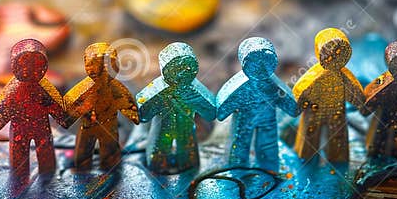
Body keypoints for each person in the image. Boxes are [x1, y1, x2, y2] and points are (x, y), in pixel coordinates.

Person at [216, 37, 299, 171]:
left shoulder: (272, 84)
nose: (260, 67)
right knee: (240, 144)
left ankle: (268, 165)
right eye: (256, 63)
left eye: (265, 62)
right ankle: (238, 166)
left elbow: (287, 100)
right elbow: (226, 102)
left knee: (267, 144)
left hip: (267, 120)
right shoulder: (242, 86)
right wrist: (221, 112)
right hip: (244, 120)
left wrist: (293, 108)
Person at [137, 42, 216, 173]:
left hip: (186, 127)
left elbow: (210, 112)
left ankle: (186, 167)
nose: (180, 75)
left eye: (186, 69)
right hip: (163, 127)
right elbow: (143, 114)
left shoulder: (193, 91)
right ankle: (158, 166)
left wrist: (197, 101)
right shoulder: (160, 91)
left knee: (187, 153)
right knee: (159, 149)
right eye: (176, 70)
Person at [0, 39, 67, 178]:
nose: (30, 70)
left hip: (41, 127)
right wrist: (63, 119)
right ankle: (22, 174)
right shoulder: (14, 90)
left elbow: (55, 105)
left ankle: (45, 172)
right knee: (19, 155)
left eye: (35, 65)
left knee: (45, 154)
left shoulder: (43, 87)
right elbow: (2, 110)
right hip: (20, 128)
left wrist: (62, 118)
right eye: (25, 65)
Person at [292, 28, 364, 163]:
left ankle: (337, 157)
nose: (334, 58)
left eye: (340, 53)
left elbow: (354, 91)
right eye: (329, 54)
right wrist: (297, 105)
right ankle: (306, 155)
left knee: (338, 136)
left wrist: (361, 104)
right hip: (314, 109)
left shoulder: (343, 76)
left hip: (336, 110)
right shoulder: (315, 76)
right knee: (309, 136)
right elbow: (301, 90)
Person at [63, 43, 139, 169]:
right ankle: (83, 166)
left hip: (110, 125)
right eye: (97, 66)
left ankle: (107, 165)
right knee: (84, 149)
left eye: (107, 66)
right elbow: (73, 103)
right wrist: (66, 119)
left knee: (109, 150)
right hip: (88, 125)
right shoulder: (86, 88)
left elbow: (126, 103)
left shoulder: (115, 88)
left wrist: (133, 115)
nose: (102, 71)